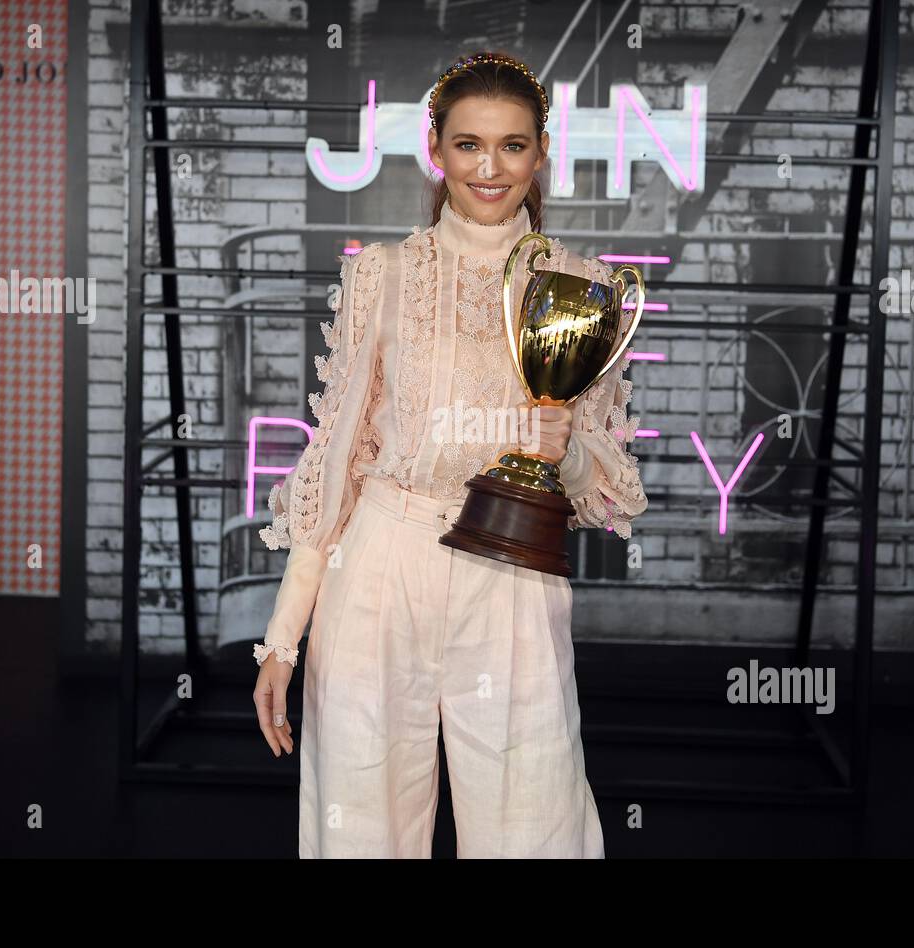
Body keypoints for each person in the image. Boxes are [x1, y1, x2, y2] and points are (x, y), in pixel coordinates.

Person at [251, 51, 649, 858]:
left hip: (511, 572)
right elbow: (336, 465)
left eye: (511, 145)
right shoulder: (383, 276)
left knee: (532, 826)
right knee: (360, 827)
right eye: (468, 145)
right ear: (436, 149)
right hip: (381, 566)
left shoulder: (582, 286)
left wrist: (566, 450)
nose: (490, 167)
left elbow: (610, 491)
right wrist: (284, 639)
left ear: (541, 153)